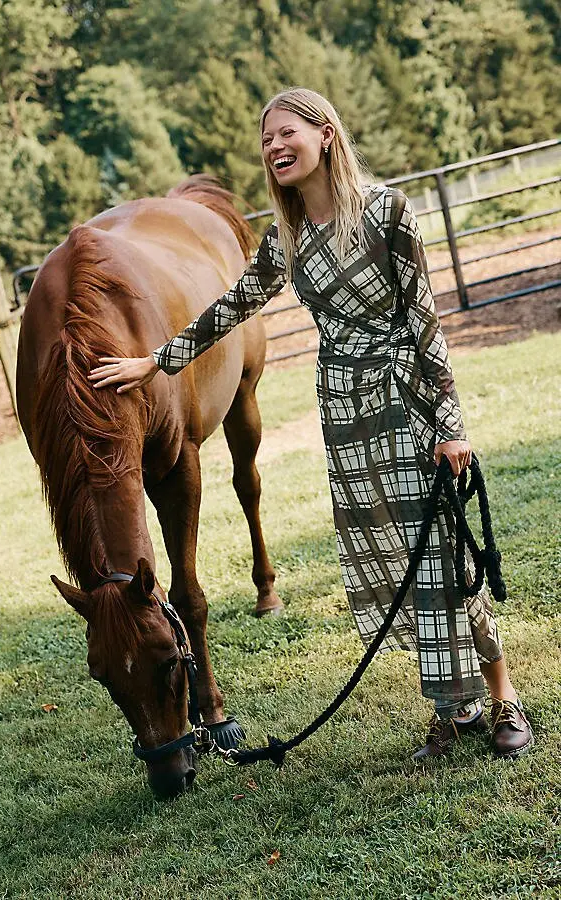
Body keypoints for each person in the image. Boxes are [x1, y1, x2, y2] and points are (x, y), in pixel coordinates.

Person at [89, 87, 533, 760]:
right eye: (265, 140)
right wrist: (156, 361)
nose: (273, 147)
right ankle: (451, 710)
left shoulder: (388, 213)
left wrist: (450, 426)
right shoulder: (288, 238)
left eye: (285, 132)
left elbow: (427, 327)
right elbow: (229, 307)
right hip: (345, 413)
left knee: (445, 548)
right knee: (397, 564)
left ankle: (503, 701)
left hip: (407, 401)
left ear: (326, 134)